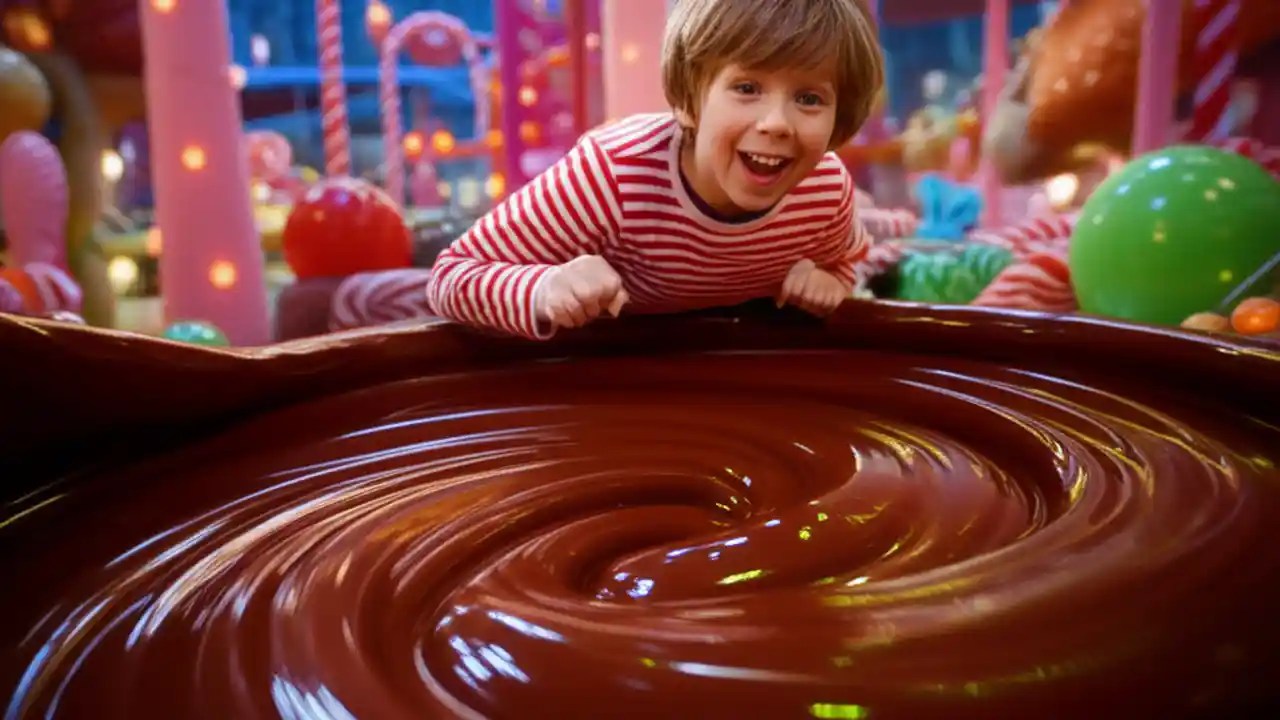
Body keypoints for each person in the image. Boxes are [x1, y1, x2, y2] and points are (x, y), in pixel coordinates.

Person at [426, 0, 884, 339]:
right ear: (690, 99)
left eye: (809, 99)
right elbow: (451, 275)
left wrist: (830, 282)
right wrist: (546, 285)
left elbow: (847, 261)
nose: (776, 124)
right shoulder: (612, 175)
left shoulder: (824, 190)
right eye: (747, 87)